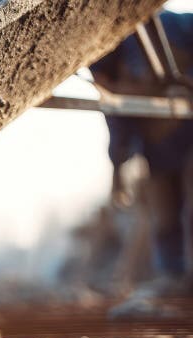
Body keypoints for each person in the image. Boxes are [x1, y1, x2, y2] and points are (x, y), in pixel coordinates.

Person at [90, 10, 193, 298]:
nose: (118, 89)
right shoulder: (115, 86)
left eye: (122, 81)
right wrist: (117, 171)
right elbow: (117, 128)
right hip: (158, 148)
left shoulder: (170, 29)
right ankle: (174, 276)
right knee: (165, 213)